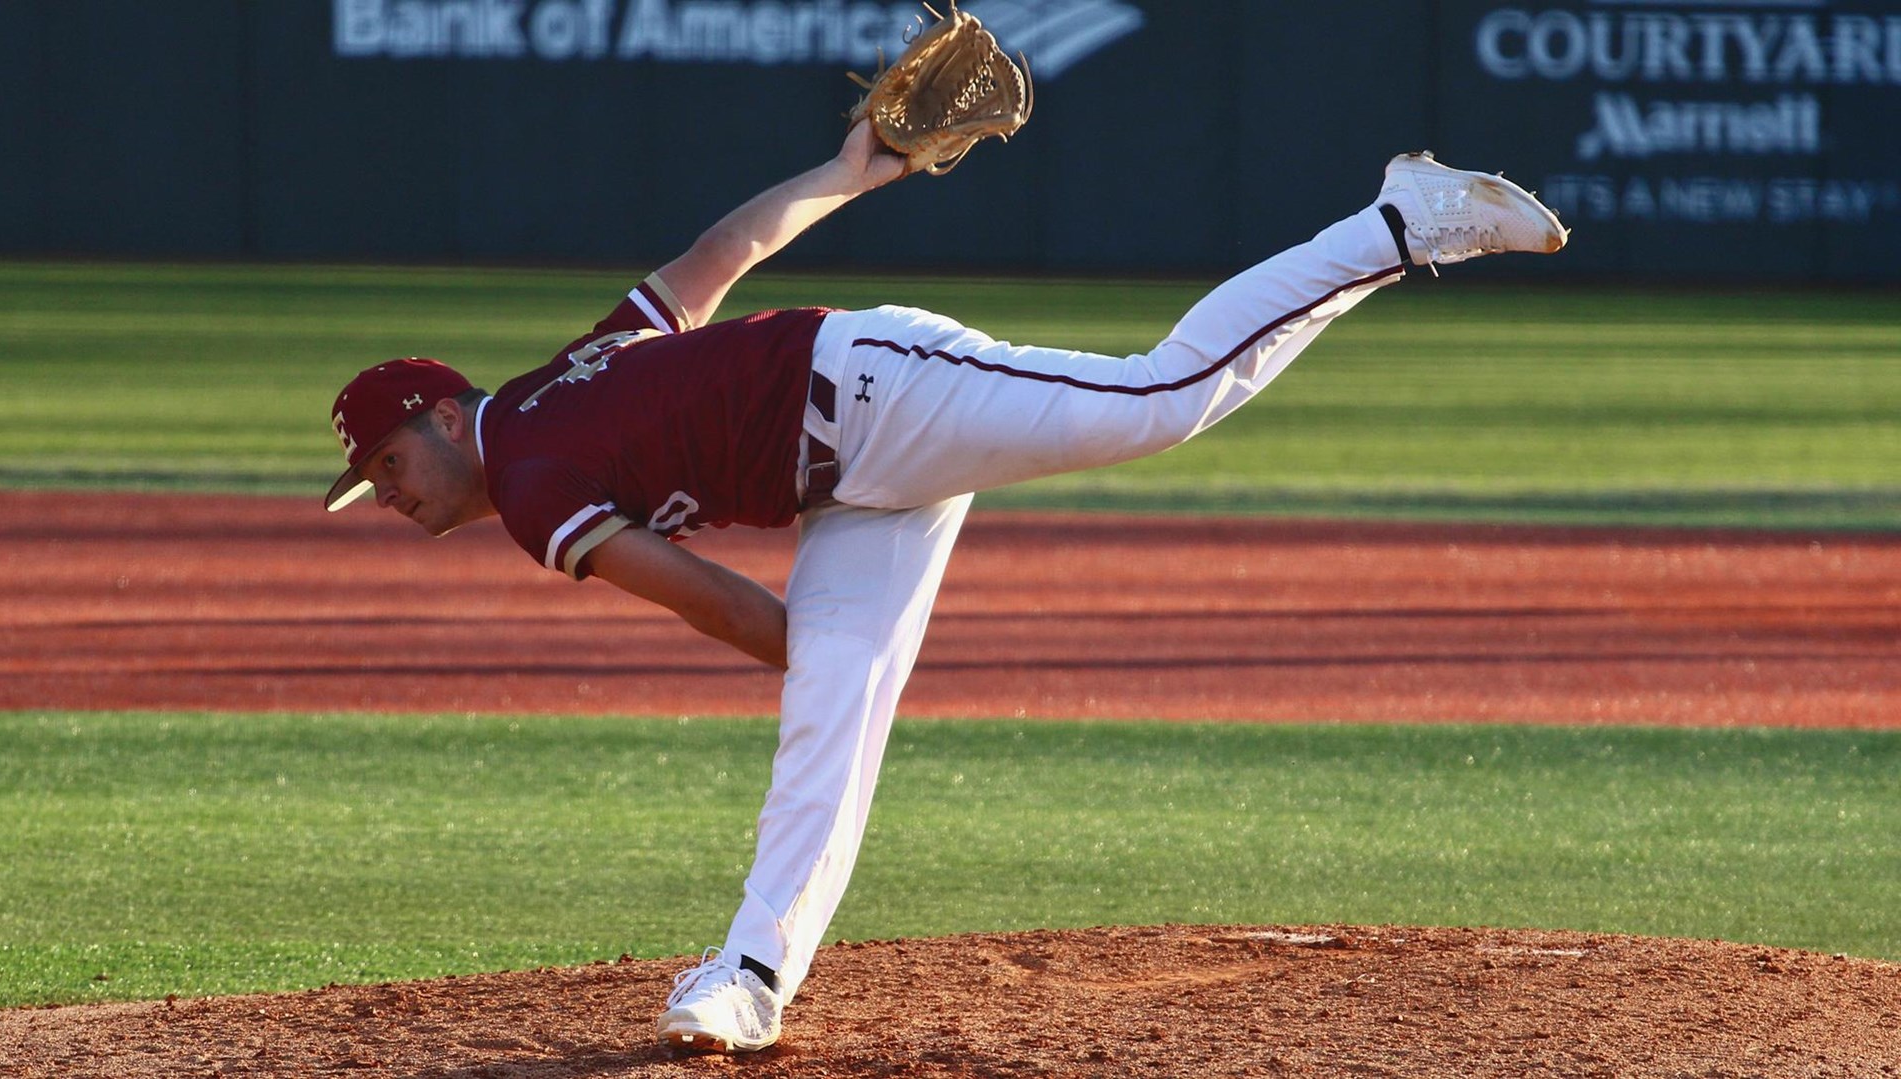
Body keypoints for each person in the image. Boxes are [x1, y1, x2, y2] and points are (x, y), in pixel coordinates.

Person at [322, 119, 1567, 1053]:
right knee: (834, 705)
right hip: (854, 476)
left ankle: (1398, 224)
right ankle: (747, 976)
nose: (387, 493)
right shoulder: (568, 375)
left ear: (440, 411)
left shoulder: (532, 485)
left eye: (386, 461)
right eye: (369, 485)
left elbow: (704, 597)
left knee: (1157, 398)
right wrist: (846, 171)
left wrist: (802, 645)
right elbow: (720, 253)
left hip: (870, 388)